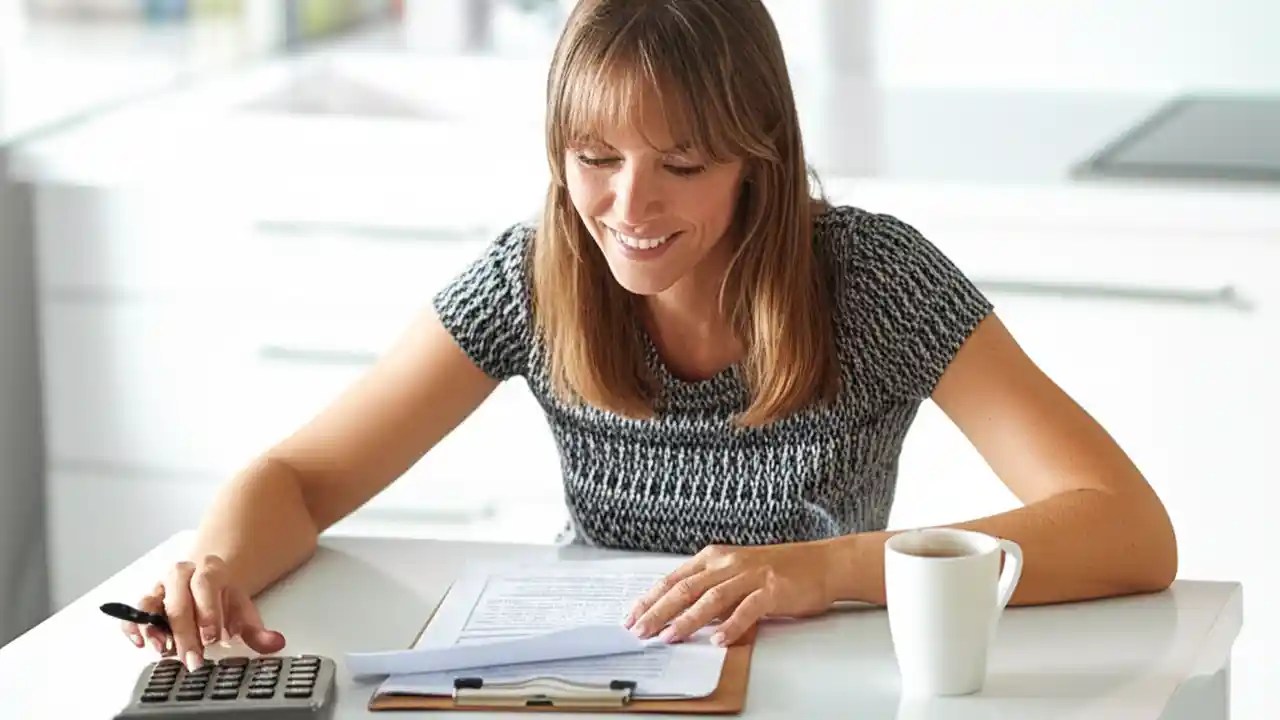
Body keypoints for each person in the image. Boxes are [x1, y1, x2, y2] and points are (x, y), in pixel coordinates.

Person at [120, 0, 1177, 671]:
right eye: (592, 157)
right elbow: (302, 479)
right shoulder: (535, 276)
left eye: (680, 165)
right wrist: (213, 564)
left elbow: (1125, 528)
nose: (627, 205)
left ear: (755, 160)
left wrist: (822, 569)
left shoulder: (869, 277)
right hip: (593, 677)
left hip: (822, 681)